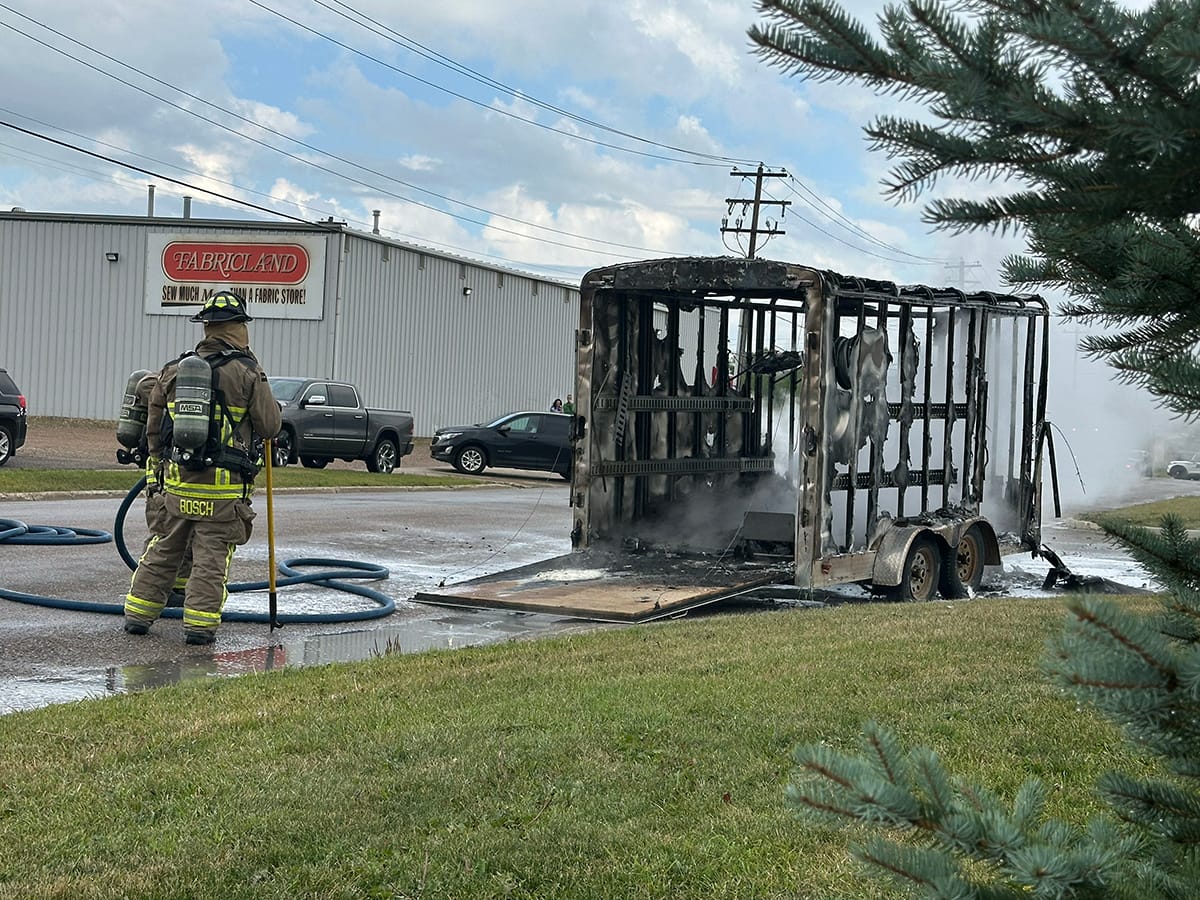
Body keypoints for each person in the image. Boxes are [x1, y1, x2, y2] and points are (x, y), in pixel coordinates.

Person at [124, 290, 281, 645]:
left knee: (164, 550)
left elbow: (154, 429)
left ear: (207, 327)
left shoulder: (174, 369)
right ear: (239, 326)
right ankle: (199, 626)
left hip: (178, 485)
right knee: (211, 559)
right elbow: (270, 426)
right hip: (223, 492)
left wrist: (159, 472)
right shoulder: (248, 372)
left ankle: (137, 615)